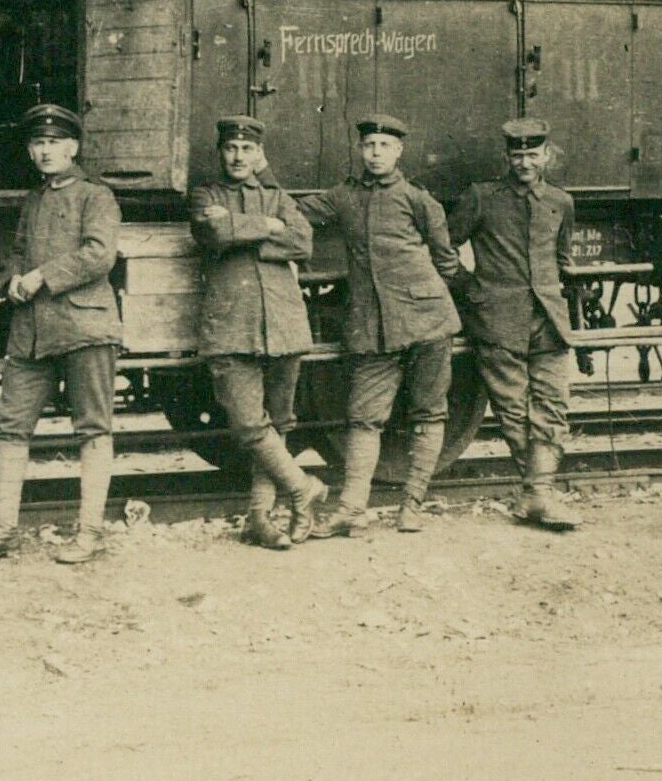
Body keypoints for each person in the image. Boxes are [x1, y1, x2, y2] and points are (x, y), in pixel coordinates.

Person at [0, 104, 121, 567]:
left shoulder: (96, 196)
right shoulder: (34, 200)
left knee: (92, 428)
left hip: (85, 328)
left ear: (73, 148)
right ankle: (3, 532)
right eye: (38, 143)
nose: (45, 151)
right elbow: (19, 252)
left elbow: (99, 255)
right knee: (10, 427)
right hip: (31, 331)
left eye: (53, 143)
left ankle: (90, 534)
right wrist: (14, 278)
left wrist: (40, 277)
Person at [299, 115, 464, 534]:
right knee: (363, 417)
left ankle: (412, 505)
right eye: (369, 145)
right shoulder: (343, 197)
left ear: (398, 151)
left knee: (429, 413)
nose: (376, 153)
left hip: (428, 323)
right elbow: (296, 211)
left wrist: (424, 301)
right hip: (372, 326)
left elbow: (446, 261)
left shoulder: (418, 200)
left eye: (384, 146)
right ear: (360, 150)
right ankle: (351, 510)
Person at [191, 116, 330, 549]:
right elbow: (213, 233)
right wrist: (269, 226)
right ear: (221, 153)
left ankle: (259, 518)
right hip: (231, 325)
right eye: (231, 148)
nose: (238, 157)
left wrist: (243, 225)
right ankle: (302, 489)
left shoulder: (277, 196)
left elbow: (303, 243)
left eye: (247, 149)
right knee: (249, 424)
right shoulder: (205, 195)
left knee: (279, 422)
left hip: (283, 323)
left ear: (259, 154)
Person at [448, 118, 580, 532]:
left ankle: (536, 495)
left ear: (546, 156)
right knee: (513, 408)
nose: (524, 163)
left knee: (552, 405)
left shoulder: (560, 201)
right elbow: (444, 247)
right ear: (507, 157)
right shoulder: (482, 197)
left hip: (548, 319)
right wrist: (471, 287)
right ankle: (539, 494)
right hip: (497, 319)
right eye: (517, 155)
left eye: (532, 155)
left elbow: (562, 258)